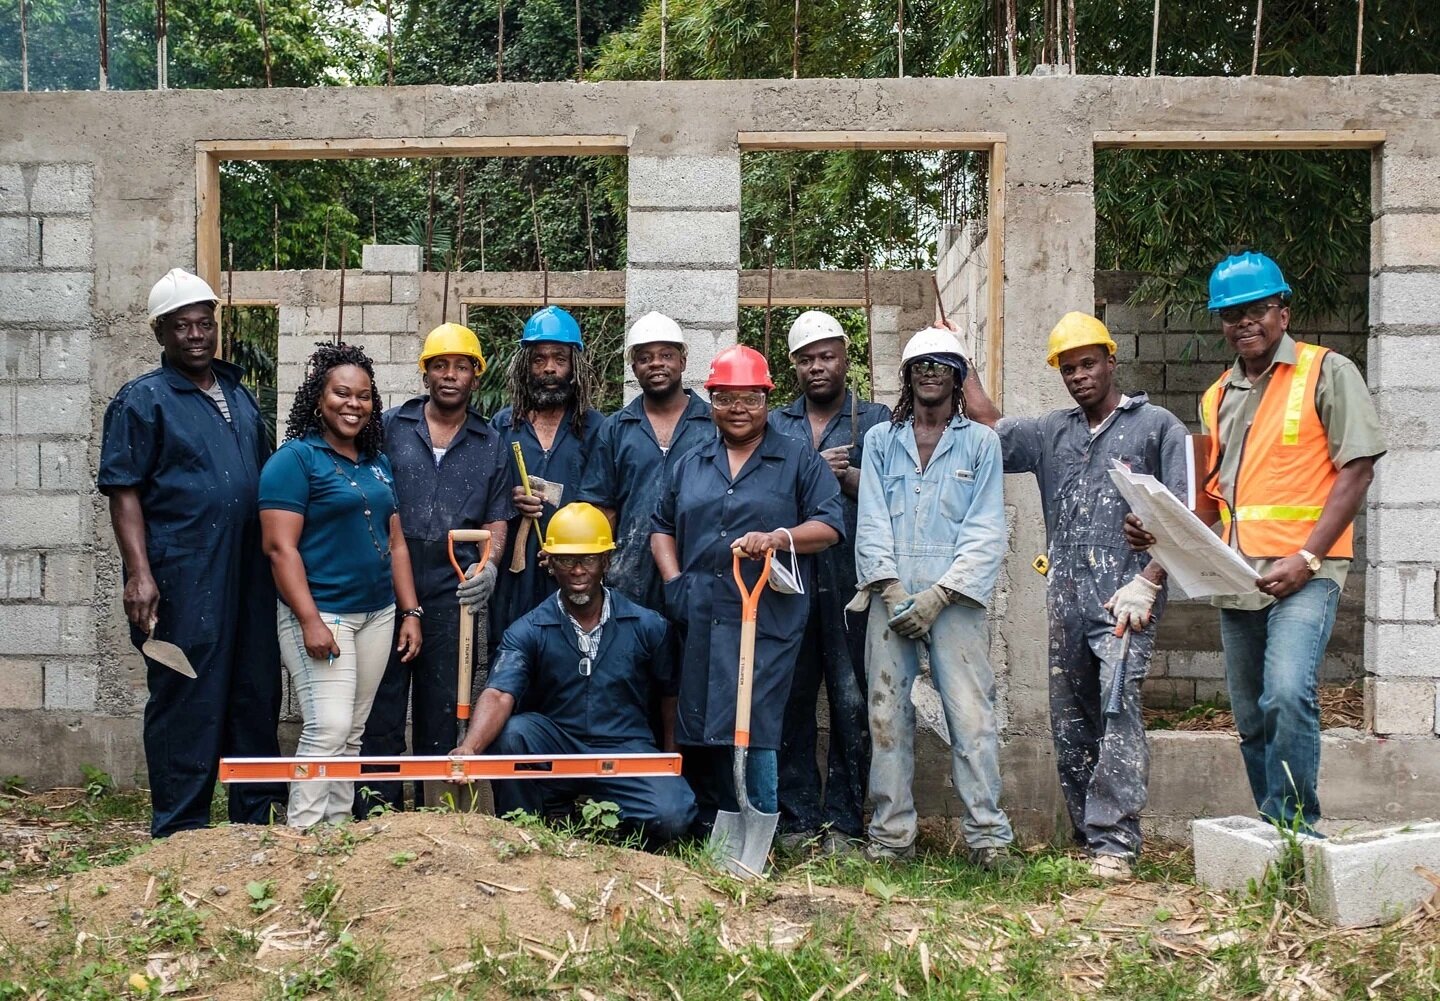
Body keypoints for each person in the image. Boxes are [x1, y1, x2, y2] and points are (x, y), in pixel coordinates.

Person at [1125, 252, 1384, 834]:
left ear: (1283, 312)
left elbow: (1358, 468)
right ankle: (1276, 830)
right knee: (1250, 714)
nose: (1244, 322)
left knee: (1287, 694)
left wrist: (1309, 556)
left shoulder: (1327, 371)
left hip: (1305, 573)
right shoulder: (1218, 396)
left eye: (1256, 310)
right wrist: (1157, 541)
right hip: (1239, 575)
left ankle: (1298, 829)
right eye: (1230, 314)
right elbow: (1215, 503)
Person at [963, 312, 1188, 878]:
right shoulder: (1051, 433)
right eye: (1069, 368)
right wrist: (960, 360)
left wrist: (1149, 580)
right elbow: (989, 425)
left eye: (1088, 364)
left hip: (1126, 602)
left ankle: (1117, 843)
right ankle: (1088, 836)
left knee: (1117, 712)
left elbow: (1187, 516)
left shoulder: (1157, 427)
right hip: (1065, 600)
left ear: (1112, 361)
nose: (1079, 376)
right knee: (1072, 719)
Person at [98, 268, 284, 837]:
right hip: (185, 574)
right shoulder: (143, 399)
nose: (197, 335)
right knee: (188, 697)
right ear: (161, 333)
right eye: (183, 326)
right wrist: (139, 574)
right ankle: (181, 832)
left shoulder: (237, 392)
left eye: (204, 323)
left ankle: (253, 824)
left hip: (250, 573)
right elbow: (124, 488)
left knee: (254, 692)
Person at [651, 345, 844, 834]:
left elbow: (830, 525)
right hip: (698, 610)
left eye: (751, 399)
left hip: (765, 615)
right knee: (698, 714)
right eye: (726, 398)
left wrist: (781, 538)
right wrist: (674, 581)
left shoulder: (796, 457)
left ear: (767, 401)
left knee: (756, 720)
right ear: (711, 399)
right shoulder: (692, 461)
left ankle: (761, 817)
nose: (738, 409)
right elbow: (661, 526)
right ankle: (705, 823)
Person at [849, 326, 1012, 868]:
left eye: (942, 364)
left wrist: (939, 596)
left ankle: (988, 838)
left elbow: (986, 529)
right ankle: (892, 838)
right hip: (889, 595)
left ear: (959, 375)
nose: (930, 373)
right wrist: (893, 590)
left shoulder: (981, 443)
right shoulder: (880, 441)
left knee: (971, 718)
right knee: (886, 717)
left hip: (954, 600)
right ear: (907, 375)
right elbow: (870, 519)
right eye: (920, 365)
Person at [450, 503, 697, 845]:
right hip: (558, 745)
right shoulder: (530, 629)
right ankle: (529, 829)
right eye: (566, 560)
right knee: (513, 733)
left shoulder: (646, 626)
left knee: (672, 815)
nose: (578, 570)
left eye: (589, 559)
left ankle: (624, 830)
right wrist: (470, 748)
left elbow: (671, 698)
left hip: (624, 749)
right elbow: (499, 692)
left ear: (606, 562)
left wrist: (671, 761)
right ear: (550, 563)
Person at [259, 342, 424, 829]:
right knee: (327, 726)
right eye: (341, 393)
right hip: (322, 613)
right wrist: (309, 620)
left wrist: (410, 611)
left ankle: (335, 839)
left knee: (352, 731)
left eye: (364, 396)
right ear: (317, 398)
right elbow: (279, 549)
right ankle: (304, 837)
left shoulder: (376, 462)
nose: (353, 404)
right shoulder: (294, 461)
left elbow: (395, 544)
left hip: (377, 613)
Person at [354, 324, 512, 814]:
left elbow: (497, 519)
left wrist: (488, 567)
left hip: (452, 593)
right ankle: (376, 816)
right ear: (425, 373)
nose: (450, 375)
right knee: (381, 703)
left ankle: (436, 820)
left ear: (475, 377)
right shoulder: (389, 427)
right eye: (440, 365)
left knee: (442, 711)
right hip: (388, 588)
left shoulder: (492, 443)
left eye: (461, 366)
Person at [767, 311, 891, 856]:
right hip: (789, 582)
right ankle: (797, 820)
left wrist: (847, 476)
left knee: (851, 700)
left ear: (845, 356)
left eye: (827, 355)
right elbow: (766, 495)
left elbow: (897, 498)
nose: (818, 367)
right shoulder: (777, 423)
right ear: (793, 366)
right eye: (806, 359)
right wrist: (813, 470)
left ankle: (844, 822)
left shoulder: (879, 421)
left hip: (850, 585)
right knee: (791, 700)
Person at [578, 311, 713, 611]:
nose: (656, 363)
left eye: (666, 354)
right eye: (645, 357)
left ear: (683, 362)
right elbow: (601, 506)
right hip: (629, 580)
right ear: (634, 367)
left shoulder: (713, 425)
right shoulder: (614, 429)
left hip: (698, 574)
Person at [491, 306, 606, 647]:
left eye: (559, 358)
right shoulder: (501, 426)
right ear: (526, 365)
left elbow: (608, 502)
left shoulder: (597, 429)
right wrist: (510, 500)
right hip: (516, 573)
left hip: (576, 571)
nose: (550, 368)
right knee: (512, 653)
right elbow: (483, 498)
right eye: (539, 359)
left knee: (569, 658)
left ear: (575, 366)